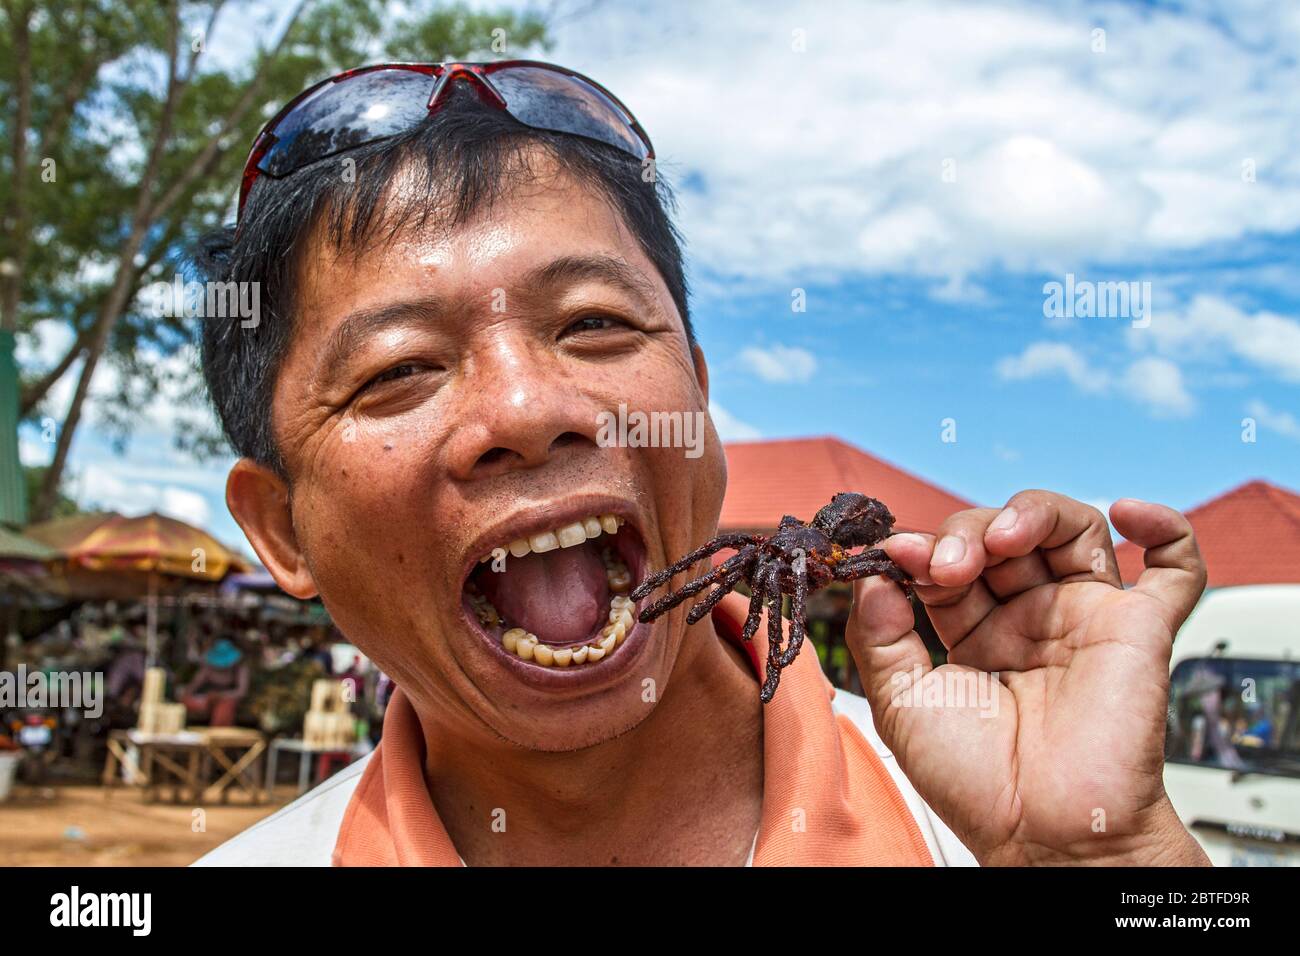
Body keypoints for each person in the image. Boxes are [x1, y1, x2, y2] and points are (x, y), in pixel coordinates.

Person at [193, 61, 1209, 866]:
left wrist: (1100, 848)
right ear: (281, 526)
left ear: (701, 398)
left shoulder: (985, 817)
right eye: (401, 366)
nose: (529, 407)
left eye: (593, 321)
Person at [180, 638, 250, 727]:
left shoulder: (240, 668)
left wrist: (221, 695)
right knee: (186, 703)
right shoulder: (208, 667)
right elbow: (194, 684)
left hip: (228, 700)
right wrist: (186, 694)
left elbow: (241, 692)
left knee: (224, 707)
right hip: (206, 699)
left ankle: (218, 734)